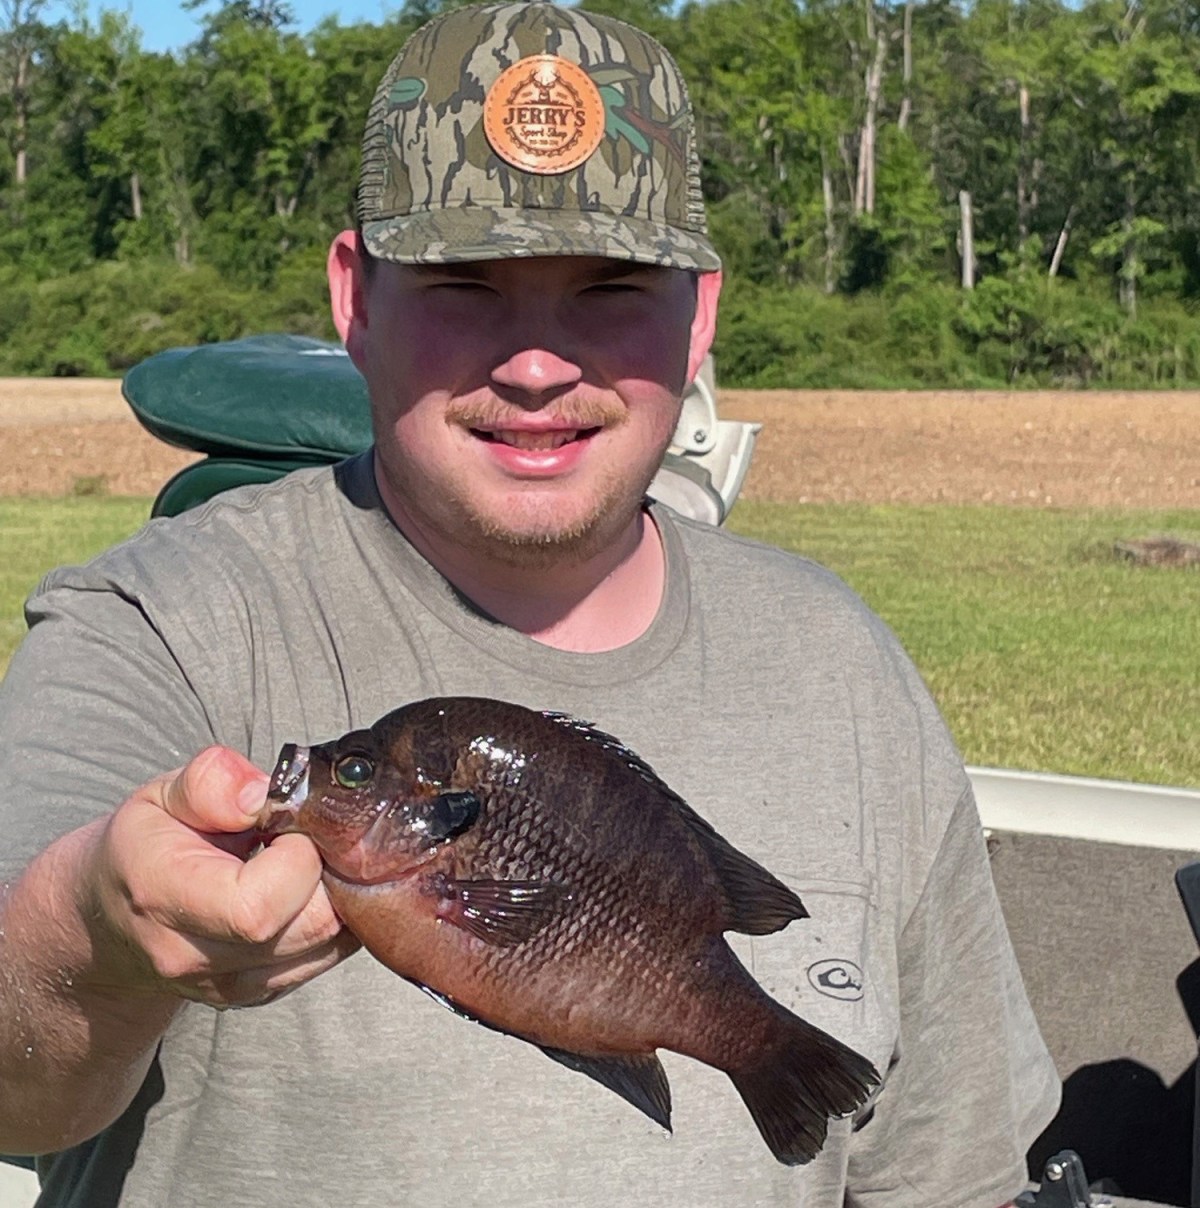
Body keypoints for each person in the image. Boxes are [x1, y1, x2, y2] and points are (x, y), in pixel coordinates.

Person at [0, 3, 1060, 1205]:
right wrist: (96, 933)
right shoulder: (158, 624)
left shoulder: (842, 665)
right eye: (465, 282)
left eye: (610, 287)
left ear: (701, 312)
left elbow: (950, 1176)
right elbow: (12, 1072)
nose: (539, 364)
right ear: (356, 296)